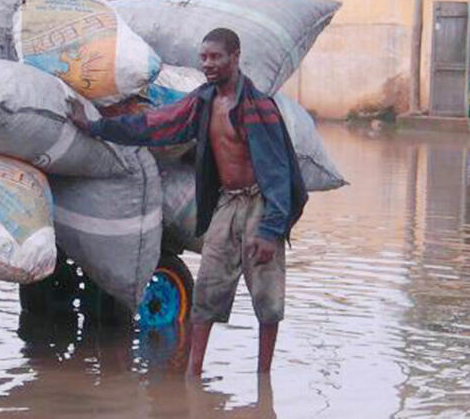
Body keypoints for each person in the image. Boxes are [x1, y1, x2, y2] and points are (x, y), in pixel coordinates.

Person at [66, 28, 307, 376]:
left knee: (267, 300)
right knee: (206, 290)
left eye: (216, 57)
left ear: (235, 57)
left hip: (260, 204)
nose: (207, 64)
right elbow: (156, 124)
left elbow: (278, 172)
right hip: (227, 204)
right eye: (203, 57)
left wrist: (271, 231)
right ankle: (194, 374)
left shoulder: (257, 107)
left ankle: (263, 380)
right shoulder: (204, 101)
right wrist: (96, 127)